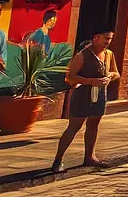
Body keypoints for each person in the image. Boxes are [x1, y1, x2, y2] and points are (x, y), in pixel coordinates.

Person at [50, 29, 118, 173]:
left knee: (94, 125)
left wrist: (109, 76)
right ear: (96, 38)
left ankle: (90, 157)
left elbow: (116, 73)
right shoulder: (82, 56)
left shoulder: (109, 55)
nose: (108, 42)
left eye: (110, 39)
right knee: (74, 127)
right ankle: (58, 159)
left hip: (99, 93)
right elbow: (70, 77)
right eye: (106, 38)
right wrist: (90, 81)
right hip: (82, 94)